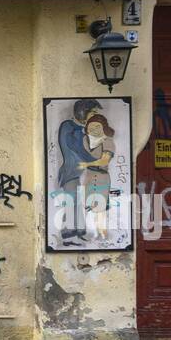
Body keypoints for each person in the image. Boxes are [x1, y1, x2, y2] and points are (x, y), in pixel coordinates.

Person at [56, 99, 102, 244]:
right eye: (93, 112)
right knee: (71, 203)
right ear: (83, 111)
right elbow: (77, 148)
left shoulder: (79, 128)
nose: (94, 115)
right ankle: (68, 235)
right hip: (70, 172)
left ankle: (78, 231)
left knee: (76, 202)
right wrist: (95, 162)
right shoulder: (69, 127)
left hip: (77, 172)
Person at [81, 112, 116, 240]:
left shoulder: (108, 142)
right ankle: (91, 231)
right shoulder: (84, 140)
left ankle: (102, 232)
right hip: (88, 176)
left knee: (100, 207)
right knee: (88, 205)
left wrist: (87, 163)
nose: (94, 130)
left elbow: (105, 160)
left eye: (97, 127)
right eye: (91, 127)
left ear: (104, 128)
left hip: (101, 178)